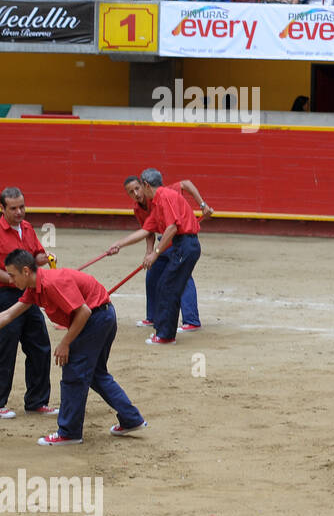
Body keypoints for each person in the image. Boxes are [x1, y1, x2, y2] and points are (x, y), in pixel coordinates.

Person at [0, 251, 146, 447]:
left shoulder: (52, 282)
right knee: (96, 374)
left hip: (95, 318)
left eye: (12, 275)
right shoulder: (35, 288)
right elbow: (9, 315)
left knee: (74, 372)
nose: (10, 279)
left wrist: (65, 343)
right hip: (103, 316)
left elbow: (83, 312)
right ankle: (131, 419)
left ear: (25, 271)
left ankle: (69, 432)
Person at [105, 174, 203, 345]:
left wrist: (155, 253)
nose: (136, 193)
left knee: (170, 286)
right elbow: (146, 231)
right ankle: (162, 328)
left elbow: (172, 228)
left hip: (183, 244)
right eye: (131, 192)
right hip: (181, 244)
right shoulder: (158, 201)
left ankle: (169, 333)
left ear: (146, 185)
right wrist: (119, 244)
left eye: (138, 188)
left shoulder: (164, 196)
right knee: (164, 284)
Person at [0, 188, 55, 420]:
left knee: (40, 345)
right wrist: (14, 279)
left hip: (28, 295)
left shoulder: (28, 228)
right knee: (4, 348)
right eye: (13, 208)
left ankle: (36, 401)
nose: (19, 212)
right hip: (4, 295)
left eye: (22, 206)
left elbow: (36, 256)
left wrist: (45, 258)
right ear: (2, 209)